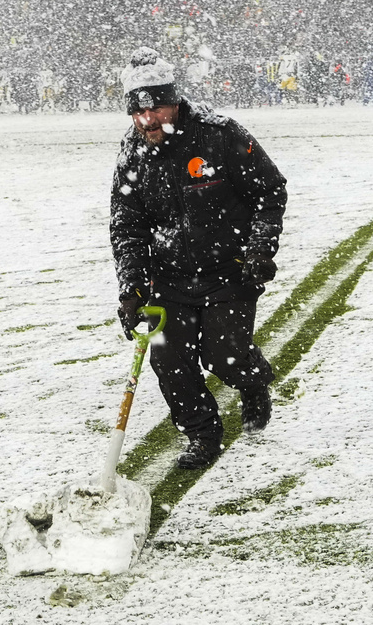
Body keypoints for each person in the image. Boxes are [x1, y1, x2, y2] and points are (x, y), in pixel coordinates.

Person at [110, 47, 287, 470]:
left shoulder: (219, 134)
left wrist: (259, 249)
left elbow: (270, 191)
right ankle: (203, 435)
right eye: (137, 112)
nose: (146, 121)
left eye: (154, 110)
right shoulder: (132, 152)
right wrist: (132, 285)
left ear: (174, 100)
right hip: (168, 281)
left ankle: (252, 382)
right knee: (168, 360)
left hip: (230, 272)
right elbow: (126, 225)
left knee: (225, 354)